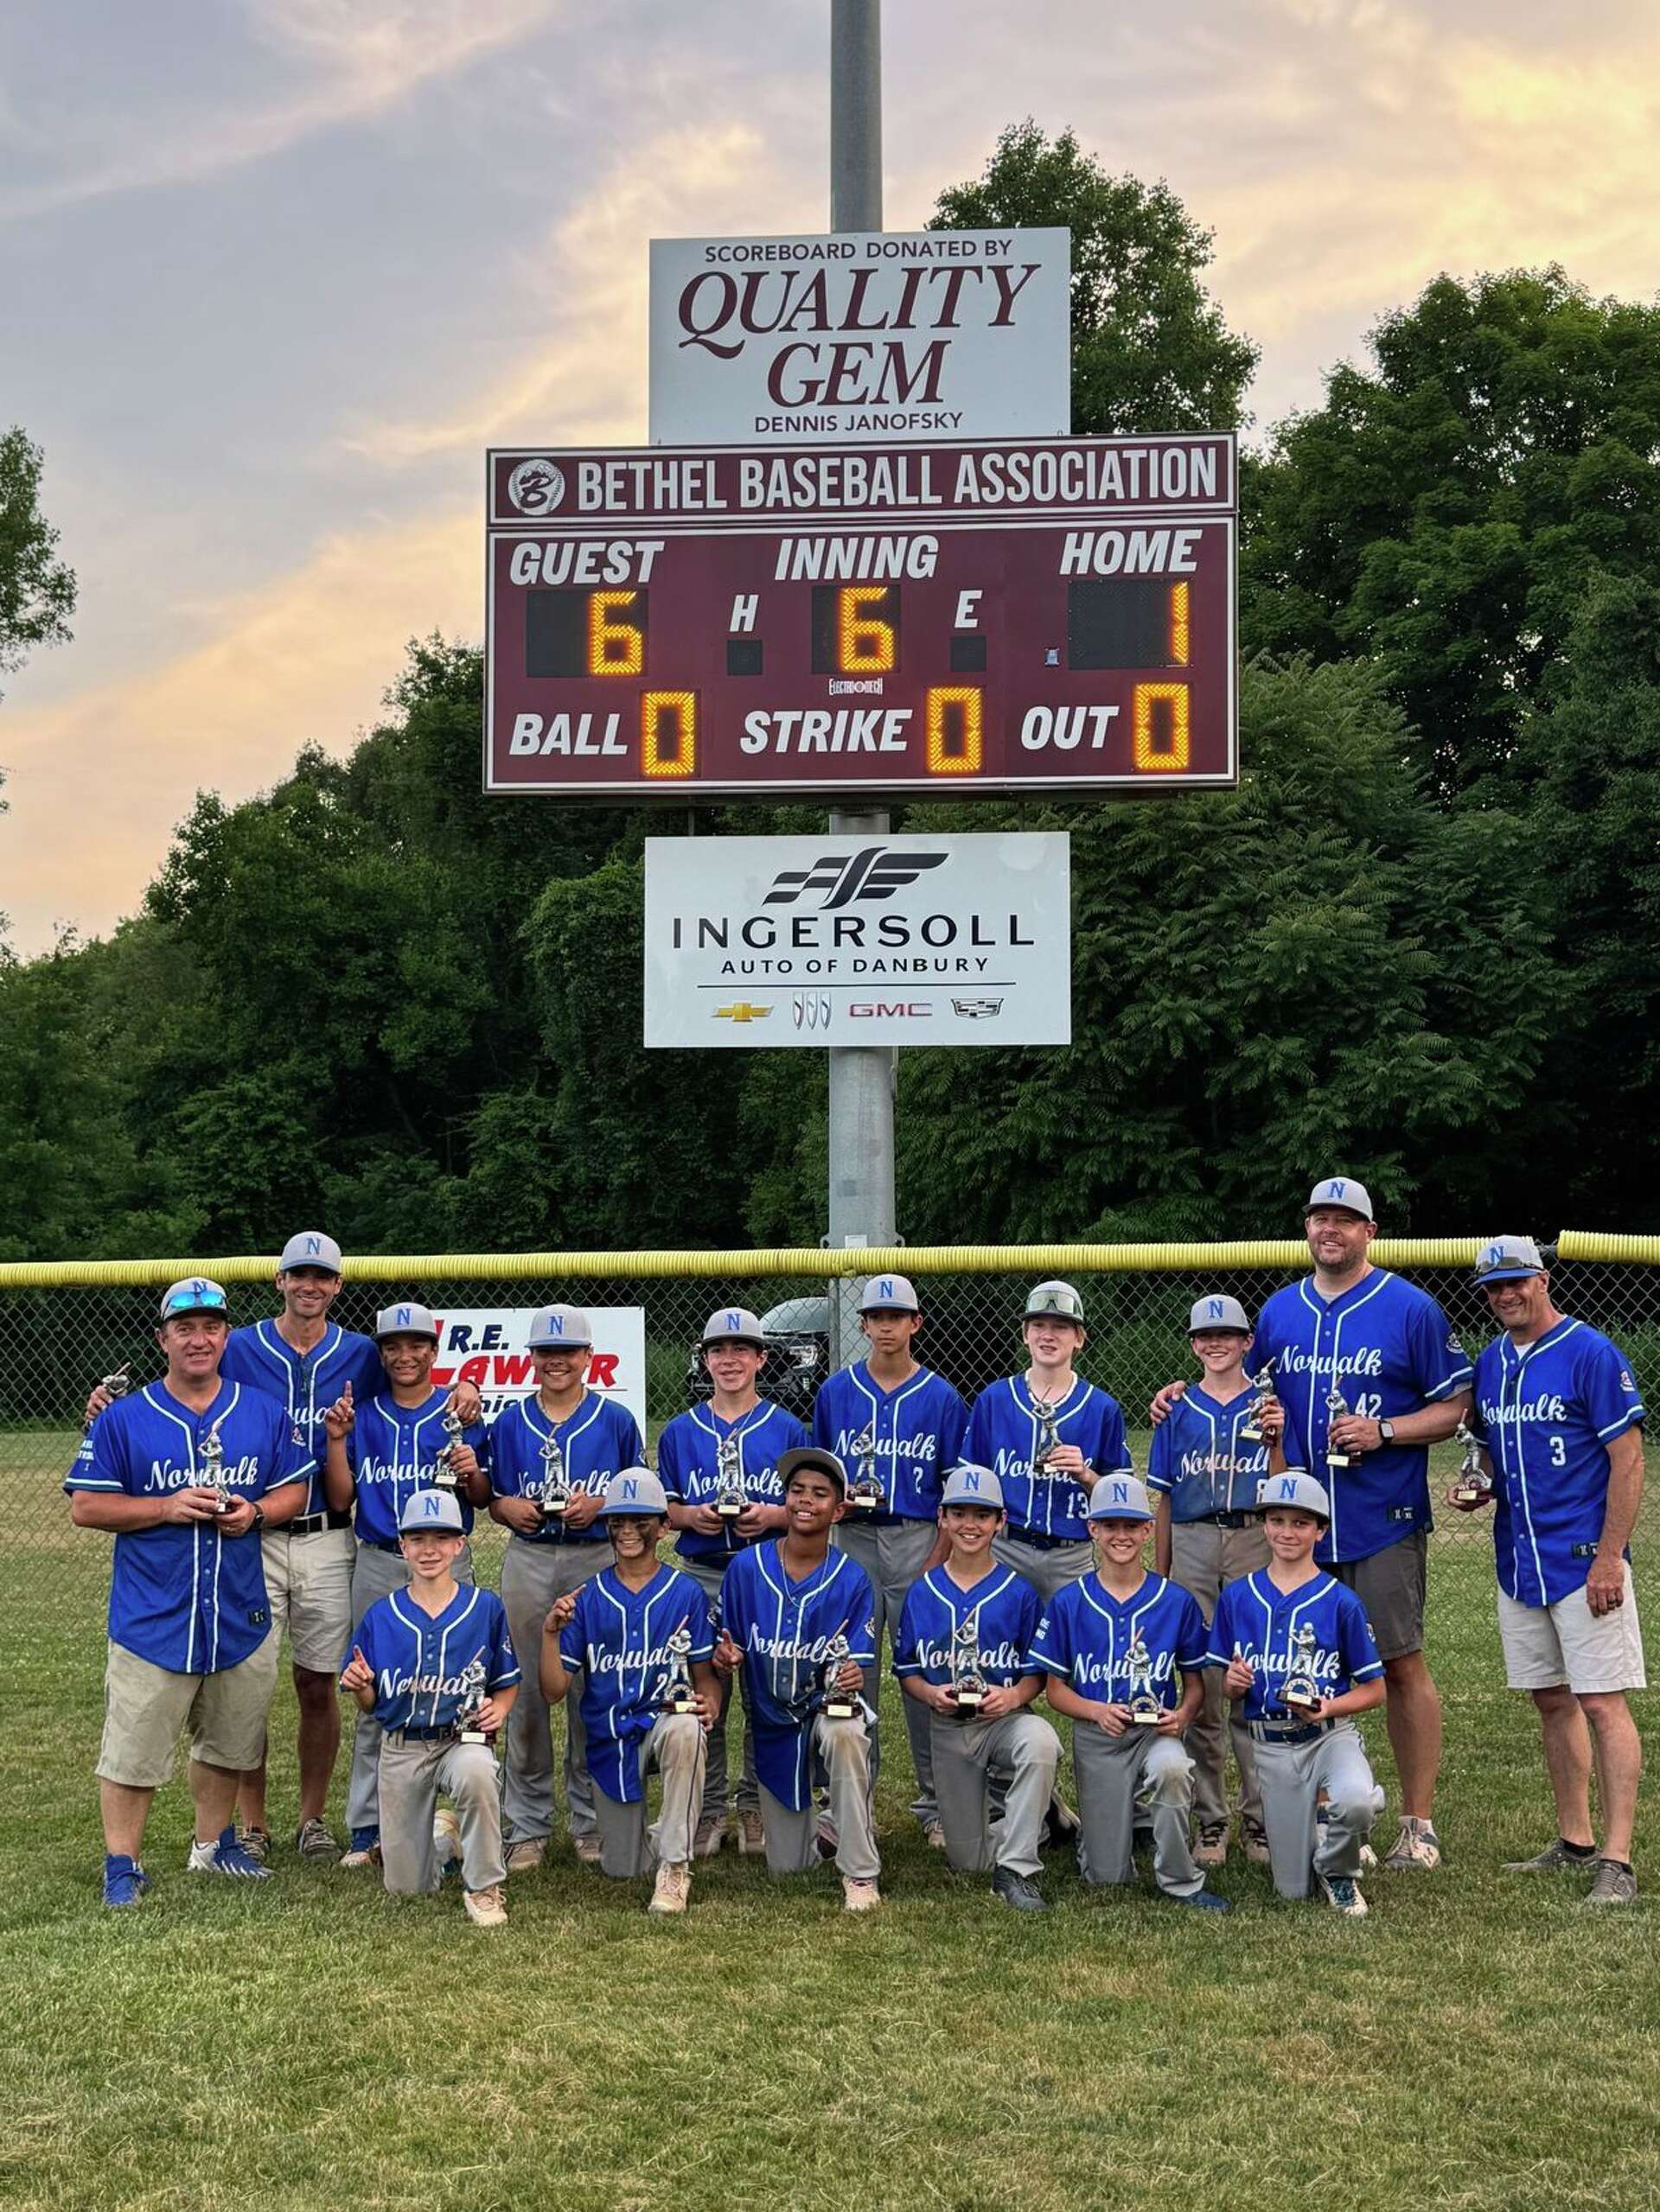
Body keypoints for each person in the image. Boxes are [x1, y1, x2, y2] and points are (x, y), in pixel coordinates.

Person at [1152, 1177, 1470, 1873]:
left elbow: (1457, 1407)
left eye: (1346, 1219)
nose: (1331, 1229)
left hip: (1379, 1516)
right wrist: (1179, 1392)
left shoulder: (1409, 1308)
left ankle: (1417, 1822)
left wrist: (1384, 1427)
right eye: (1320, 1217)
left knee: (1399, 1660)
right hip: (1291, 1527)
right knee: (1296, 1662)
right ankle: (1320, 1810)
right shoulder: (1278, 1312)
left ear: (1370, 1231)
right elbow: (1236, 1380)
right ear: (1307, 1228)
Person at [66, 1278, 314, 1907]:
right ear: (163, 1339)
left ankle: (214, 1844)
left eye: (210, 1327)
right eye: (184, 1328)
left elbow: (297, 1492)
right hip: (155, 1607)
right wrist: (166, 1506)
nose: (198, 1338)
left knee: (232, 1736)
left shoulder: (260, 1410)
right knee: (133, 1745)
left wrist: (255, 1511)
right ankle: (122, 1861)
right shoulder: (125, 1417)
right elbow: (88, 1506)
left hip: (238, 1605)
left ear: (225, 1336)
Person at [1457, 1235, 1646, 1905]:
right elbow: (1482, 1447)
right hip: (1520, 1560)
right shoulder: (1490, 1362)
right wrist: (1477, 1484)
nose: (1505, 1295)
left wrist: (1608, 1557)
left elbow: (1628, 1459)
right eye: (1492, 1287)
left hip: (1581, 1560)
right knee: (1553, 1698)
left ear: (1542, 1279)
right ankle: (1575, 1839)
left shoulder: (1590, 1351)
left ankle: (1617, 1860)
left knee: (1602, 1700)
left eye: (1515, 1282)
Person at [322, 1301, 490, 1870]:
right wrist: (339, 1441)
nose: (404, 1355)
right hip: (377, 1560)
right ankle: (368, 1828)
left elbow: (481, 1497)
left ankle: (466, 1816)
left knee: (462, 1690)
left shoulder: (459, 1412)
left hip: (447, 1568)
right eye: (392, 1345)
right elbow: (342, 1499)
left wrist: (470, 1468)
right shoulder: (364, 1415)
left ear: (434, 1350)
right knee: (376, 1691)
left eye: (416, 1343)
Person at [813, 1272, 969, 1848]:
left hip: (916, 1535)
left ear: (915, 1323)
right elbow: (819, 1479)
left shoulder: (942, 1397)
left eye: (895, 1316)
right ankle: (853, 1799)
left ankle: (935, 1802)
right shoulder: (836, 1392)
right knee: (851, 1665)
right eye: (876, 1316)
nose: (885, 1325)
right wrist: (836, 1502)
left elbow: (955, 1492)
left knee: (923, 1670)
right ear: (863, 1324)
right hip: (855, 1538)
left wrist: (938, 1558)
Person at [488, 1304, 645, 1874]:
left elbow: (640, 1490)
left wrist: (602, 1503)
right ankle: (526, 1823)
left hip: (598, 1559)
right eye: (546, 1353)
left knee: (595, 1692)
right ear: (532, 1359)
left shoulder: (616, 1419)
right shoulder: (509, 1423)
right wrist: (503, 1504)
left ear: (588, 1357)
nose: (557, 1361)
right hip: (531, 1559)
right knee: (527, 1692)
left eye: (568, 1352)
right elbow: (491, 1493)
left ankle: (590, 1819)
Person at [1028, 1475, 1228, 1911]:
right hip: (1099, 1738)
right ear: (1092, 1529)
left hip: (1156, 1733)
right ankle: (1114, 1834)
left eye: (1131, 1525)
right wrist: (1097, 1711)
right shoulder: (1070, 1601)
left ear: (1147, 1530)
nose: (1122, 1535)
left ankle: (1181, 1879)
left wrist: (1184, 1716)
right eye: (1110, 1525)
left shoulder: (1175, 1600)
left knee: (1173, 1770)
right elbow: (1055, 1692)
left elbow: (1194, 1685)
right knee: (1106, 1878)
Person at [658, 1305, 807, 1858]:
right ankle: (710, 1806)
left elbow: (808, 1507)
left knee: (766, 1690)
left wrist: (773, 1517)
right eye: (719, 1350)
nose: (730, 1360)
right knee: (703, 1690)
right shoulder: (680, 1430)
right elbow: (663, 1509)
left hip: (766, 1576)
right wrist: (689, 1516)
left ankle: (755, 1804)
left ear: (761, 1359)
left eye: (741, 1349)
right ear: (705, 1359)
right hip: (702, 1573)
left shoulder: (788, 1428)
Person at [540, 1469, 718, 1915]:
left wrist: (711, 1697)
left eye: (640, 1521)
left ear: (663, 1526)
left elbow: (703, 1673)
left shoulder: (685, 1593)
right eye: (618, 1520)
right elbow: (553, 1691)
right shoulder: (587, 1597)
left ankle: (675, 1866)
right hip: (611, 1740)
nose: (627, 1531)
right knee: (623, 1867)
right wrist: (549, 1634)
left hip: (663, 1721)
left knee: (686, 1729)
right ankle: (660, 1837)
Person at [339, 1488, 519, 1928]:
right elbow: (373, 1706)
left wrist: (500, 1707)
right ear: (402, 1546)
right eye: (418, 1539)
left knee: (478, 1770)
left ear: (460, 1544)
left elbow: (506, 1680)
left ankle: (484, 1887)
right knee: (406, 1887)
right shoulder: (382, 1616)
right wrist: (362, 1687)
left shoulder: (485, 1607)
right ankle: (443, 1836)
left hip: (462, 1740)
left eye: (441, 1538)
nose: (429, 1550)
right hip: (402, 1747)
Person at [1209, 1471, 1387, 1916]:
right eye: (1278, 1520)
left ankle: (1339, 1864)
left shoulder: (1341, 1600)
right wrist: (1233, 1685)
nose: (1288, 1532)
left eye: (1301, 1523)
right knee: (1291, 1889)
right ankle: (1341, 1819)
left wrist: (1329, 1706)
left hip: (1328, 1736)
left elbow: (1375, 1689)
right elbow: (1227, 1682)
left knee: (1353, 1801)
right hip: (1270, 1747)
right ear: (1264, 1525)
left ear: (1321, 1530)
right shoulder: (1238, 1597)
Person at [712, 1445, 881, 1911]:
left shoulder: (853, 1579)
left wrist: (849, 1674)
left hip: (828, 1712)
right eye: (797, 1490)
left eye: (820, 1494)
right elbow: (722, 1638)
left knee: (847, 1734)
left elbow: (857, 1663)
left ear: (839, 1509)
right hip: (772, 1722)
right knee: (788, 1867)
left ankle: (860, 1872)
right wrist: (724, 1655)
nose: (806, 1500)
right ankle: (822, 1831)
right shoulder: (746, 1569)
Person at [893, 1464, 1058, 1910]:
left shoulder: (1019, 1591)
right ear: (942, 1519)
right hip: (948, 1728)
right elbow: (907, 1670)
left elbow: (1036, 1672)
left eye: (982, 1515)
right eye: (960, 1513)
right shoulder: (923, 1591)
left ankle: (1019, 1867)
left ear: (1000, 1522)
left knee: (1040, 1741)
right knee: (967, 1861)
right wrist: (930, 1694)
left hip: (1004, 1722)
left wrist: (1014, 1697)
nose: (971, 1525)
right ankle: (1044, 1819)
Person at [1146, 1294, 1271, 1869]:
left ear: (1248, 1341)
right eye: (1204, 1335)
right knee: (1203, 1681)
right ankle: (1211, 1818)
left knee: (1252, 1677)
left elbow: (1284, 1479)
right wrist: (1162, 1573)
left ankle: (1260, 1817)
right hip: (1194, 1539)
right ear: (1193, 1343)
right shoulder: (1177, 1410)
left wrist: (1277, 1436)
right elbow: (1166, 1497)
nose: (1215, 1342)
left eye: (1228, 1334)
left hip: (1252, 1534)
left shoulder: (1267, 1403)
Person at [963, 1281, 1133, 1601]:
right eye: (1038, 1325)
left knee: (1071, 1645)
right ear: (1025, 1334)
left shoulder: (1102, 1408)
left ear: (1079, 1338)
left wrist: (1085, 1475)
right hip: (1005, 1548)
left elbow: (1121, 1498)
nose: (1048, 1335)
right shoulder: (995, 1400)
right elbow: (970, 1484)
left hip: (1071, 1553)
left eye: (1061, 1327)